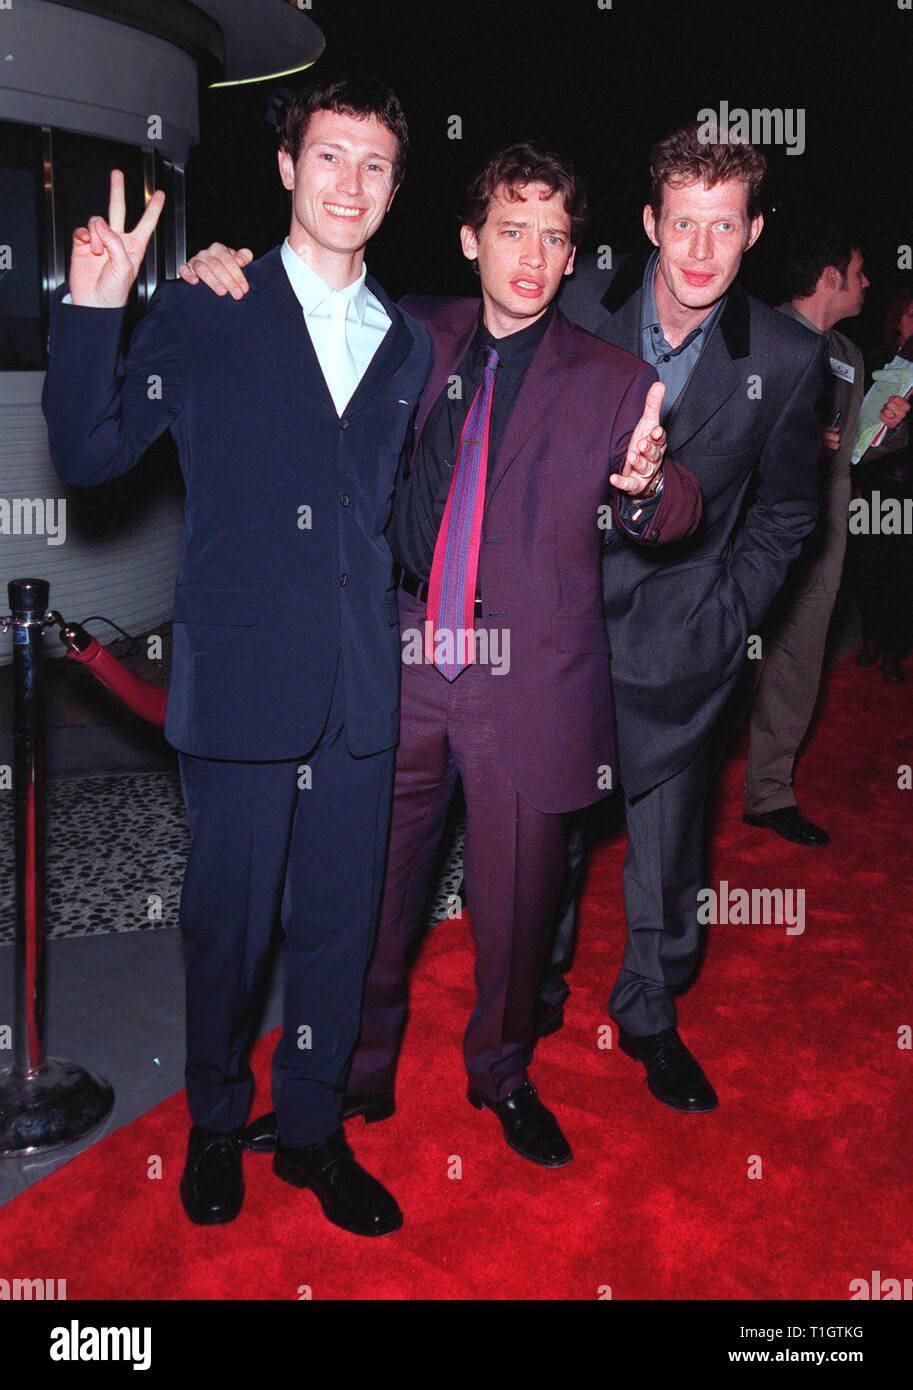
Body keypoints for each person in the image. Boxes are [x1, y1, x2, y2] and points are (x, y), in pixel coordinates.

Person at [181, 143, 702, 1166]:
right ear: (472, 240)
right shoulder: (408, 333)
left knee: (515, 913)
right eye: (513, 228)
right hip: (402, 660)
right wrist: (216, 274)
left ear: (569, 259)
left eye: (555, 237)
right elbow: (303, 313)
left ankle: (503, 1075)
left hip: (529, 686)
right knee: (367, 895)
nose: (534, 254)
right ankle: (349, 1075)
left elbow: (676, 506)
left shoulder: (613, 378)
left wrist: (642, 482)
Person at [42, 78, 432, 1237]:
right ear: (286, 169)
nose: (349, 183)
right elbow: (90, 448)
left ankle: (309, 1133)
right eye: (329, 157)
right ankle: (217, 1120)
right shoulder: (213, 303)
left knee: (337, 929)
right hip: (241, 685)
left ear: (395, 187)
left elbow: (389, 507)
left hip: (359, 691)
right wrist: (95, 310)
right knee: (230, 927)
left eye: (374, 165)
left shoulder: (406, 341)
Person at [545, 122, 825, 1112]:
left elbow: (791, 508)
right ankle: (538, 984)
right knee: (551, 828)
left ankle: (651, 1016)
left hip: (683, 637)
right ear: (651, 222)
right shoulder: (579, 302)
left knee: (666, 852)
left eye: (724, 226)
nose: (701, 251)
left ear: (752, 231)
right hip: (560, 625)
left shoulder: (789, 357)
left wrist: (730, 610)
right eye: (683, 224)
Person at [742, 228, 874, 846]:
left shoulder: (849, 352)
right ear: (829, 277)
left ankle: (769, 793)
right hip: (750, 528)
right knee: (719, 654)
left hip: (822, 527)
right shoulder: (754, 330)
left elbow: (848, 450)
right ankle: (670, 787)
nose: (867, 283)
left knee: (798, 659)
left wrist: (886, 428)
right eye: (858, 271)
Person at [846, 279, 913, 683]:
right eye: (910, 314)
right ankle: (870, 637)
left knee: (904, 571)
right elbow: (856, 427)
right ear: (897, 320)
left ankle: (895, 648)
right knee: (867, 564)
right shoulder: (875, 362)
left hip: (909, 489)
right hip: (873, 484)